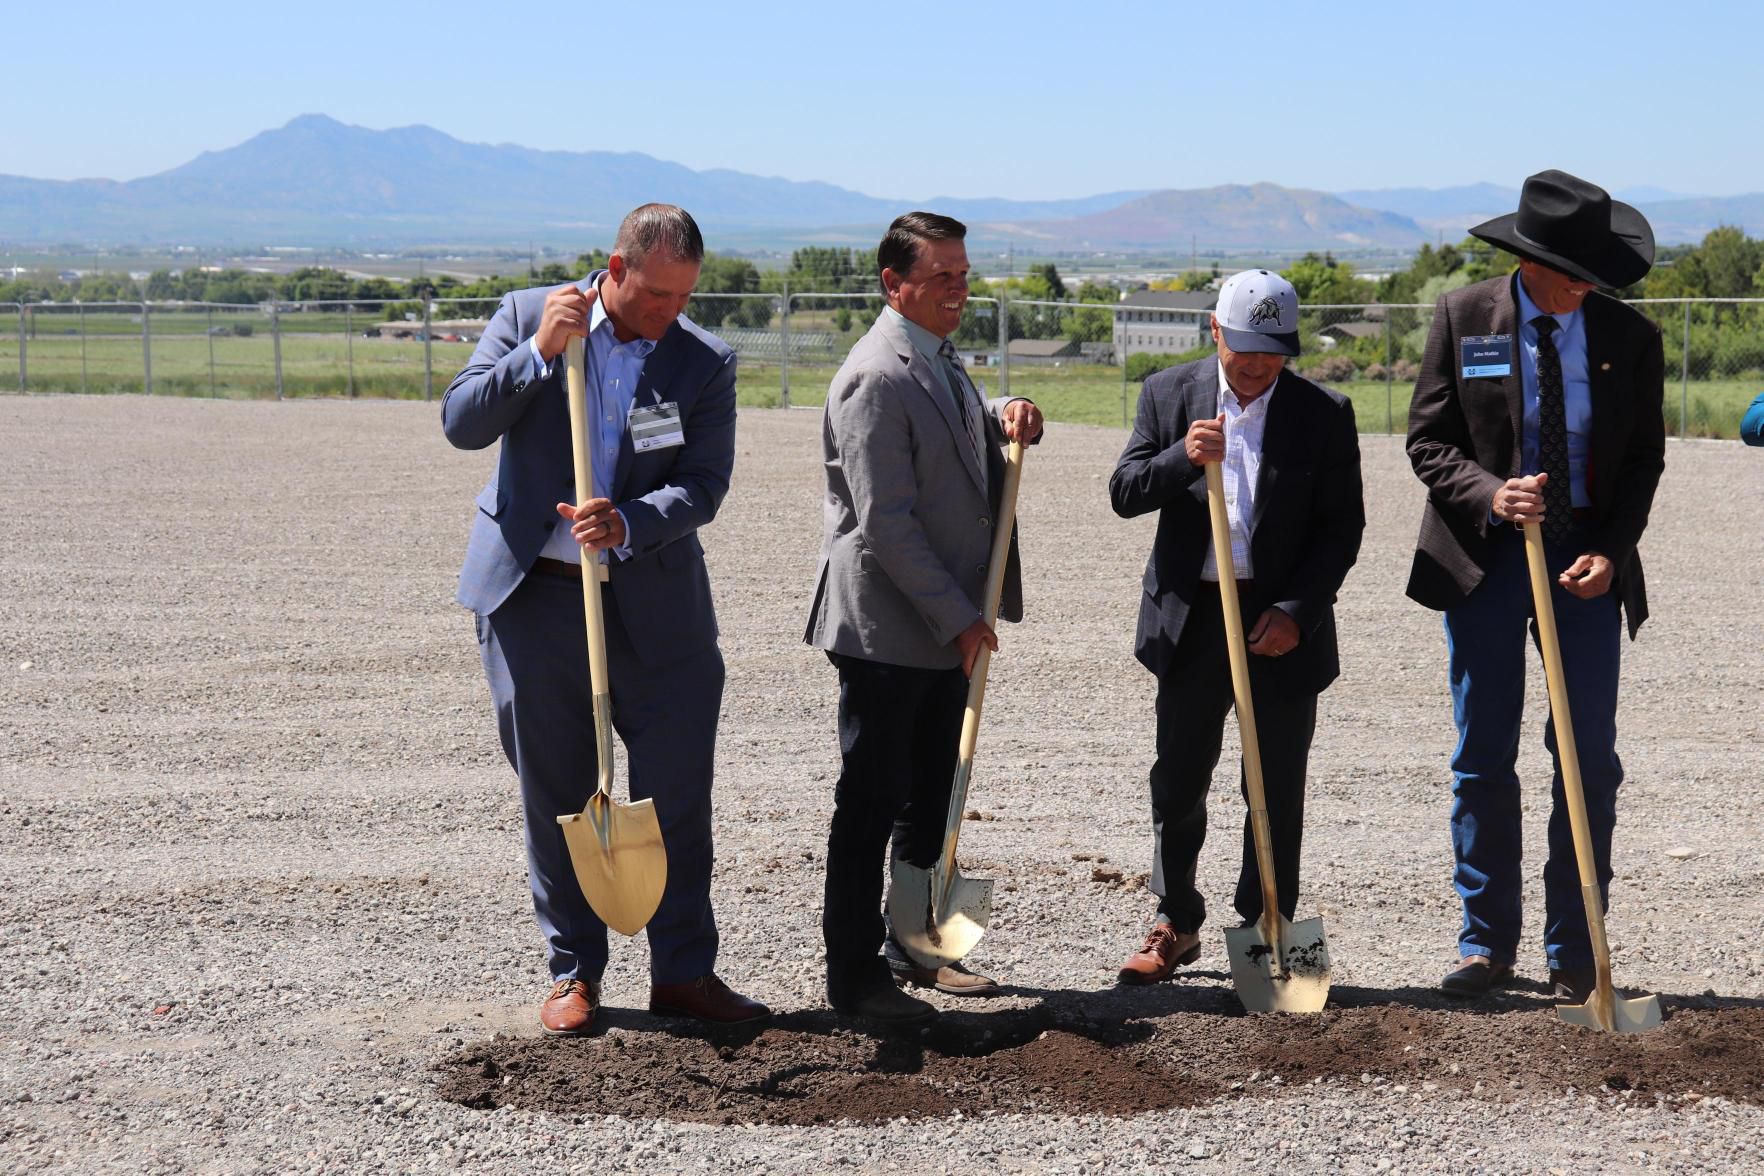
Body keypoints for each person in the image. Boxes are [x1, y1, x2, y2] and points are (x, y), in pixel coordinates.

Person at [442, 203, 767, 1035]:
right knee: (559, 793)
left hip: (656, 605)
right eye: (656, 295)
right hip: (535, 597)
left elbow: (704, 483)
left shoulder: (702, 361)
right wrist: (539, 354)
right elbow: (462, 421)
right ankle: (573, 973)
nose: (669, 313)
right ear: (613, 268)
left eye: (683, 298)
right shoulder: (528, 317)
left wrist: (628, 522)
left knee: (677, 793)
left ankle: (686, 971)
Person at [1404, 170, 1666, 1002]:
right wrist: (1490, 492)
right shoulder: (1463, 317)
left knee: (1587, 759)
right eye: (1575, 271)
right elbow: (1428, 440)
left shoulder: (1629, 335)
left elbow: (1643, 461)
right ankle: (1486, 943)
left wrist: (1615, 549)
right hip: (1485, 560)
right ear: (1532, 260)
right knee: (1483, 755)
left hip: (1584, 562)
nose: (1588, 286)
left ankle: (1576, 946)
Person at [805, 211, 1044, 1027]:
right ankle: (853, 974)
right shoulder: (876, 374)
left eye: (964, 273)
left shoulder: (936, 358)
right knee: (870, 799)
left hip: (943, 627)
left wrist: (1006, 412)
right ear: (893, 284)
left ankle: (917, 941)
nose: (958, 287)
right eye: (941, 275)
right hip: (889, 628)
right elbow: (886, 523)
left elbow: (957, 441)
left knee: (930, 796)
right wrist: (959, 618)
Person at [1108, 270, 1364, 985]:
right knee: (1179, 778)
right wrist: (1179, 458)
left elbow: (1343, 529)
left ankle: (1268, 925)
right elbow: (1124, 493)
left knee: (1275, 784)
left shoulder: (1324, 412)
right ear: (1215, 332)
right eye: (1244, 347)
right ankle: (1175, 919)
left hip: (1276, 624)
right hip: (1192, 619)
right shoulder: (1168, 394)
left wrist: (1295, 613)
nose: (1257, 365)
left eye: (1274, 350)